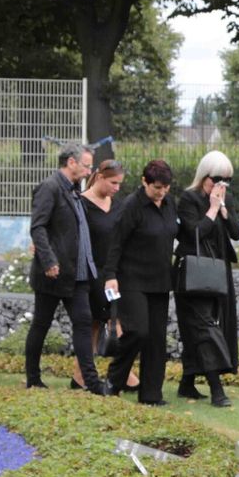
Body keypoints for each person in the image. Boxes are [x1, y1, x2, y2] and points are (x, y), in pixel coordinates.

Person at [27, 143, 110, 395]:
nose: (89, 171)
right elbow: (38, 227)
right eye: (86, 165)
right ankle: (33, 378)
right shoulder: (50, 188)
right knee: (41, 324)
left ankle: (91, 382)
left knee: (84, 323)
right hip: (54, 274)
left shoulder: (75, 191)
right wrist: (49, 260)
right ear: (71, 163)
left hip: (79, 274)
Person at [104, 160, 178, 405]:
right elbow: (116, 243)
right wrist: (110, 275)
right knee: (137, 331)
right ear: (144, 182)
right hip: (131, 279)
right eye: (157, 187)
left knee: (156, 340)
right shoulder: (131, 207)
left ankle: (151, 394)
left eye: (166, 187)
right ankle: (114, 381)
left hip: (160, 281)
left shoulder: (169, 204)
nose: (162, 192)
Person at [174, 150, 239, 407]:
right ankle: (217, 389)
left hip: (217, 271)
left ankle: (187, 383)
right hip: (193, 273)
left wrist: (224, 209)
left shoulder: (226, 199)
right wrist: (212, 209)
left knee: (204, 325)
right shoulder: (189, 199)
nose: (222, 185)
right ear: (204, 176)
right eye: (217, 179)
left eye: (227, 180)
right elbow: (195, 234)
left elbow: (236, 233)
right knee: (205, 327)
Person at [74, 158, 128, 390]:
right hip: (92, 271)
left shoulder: (118, 205)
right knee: (94, 324)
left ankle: (122, 373)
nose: (117, 188)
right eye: (113, 183)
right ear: (100, 177)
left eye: (120, 184)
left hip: (114, 271)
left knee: (118, 322)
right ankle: (82, 374)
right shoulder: (82, 203)